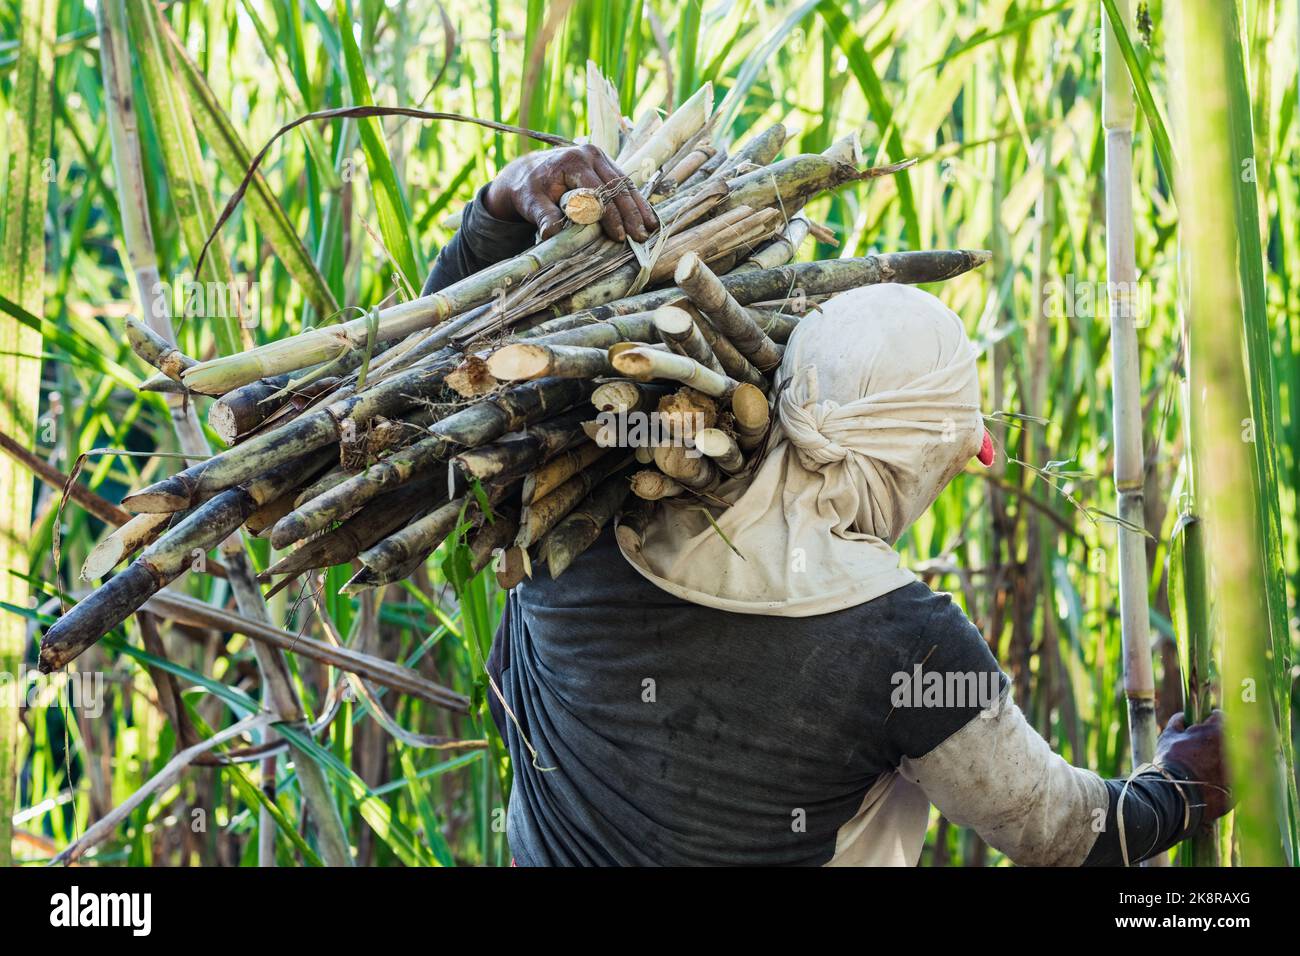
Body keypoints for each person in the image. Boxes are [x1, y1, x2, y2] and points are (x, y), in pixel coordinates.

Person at [422, 145, 1229, 867]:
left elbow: (447, 397)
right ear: (922, 460)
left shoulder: (575, 505)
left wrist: (498, 206)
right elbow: (1064, 833)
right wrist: (1189, 781)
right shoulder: (906, 646)